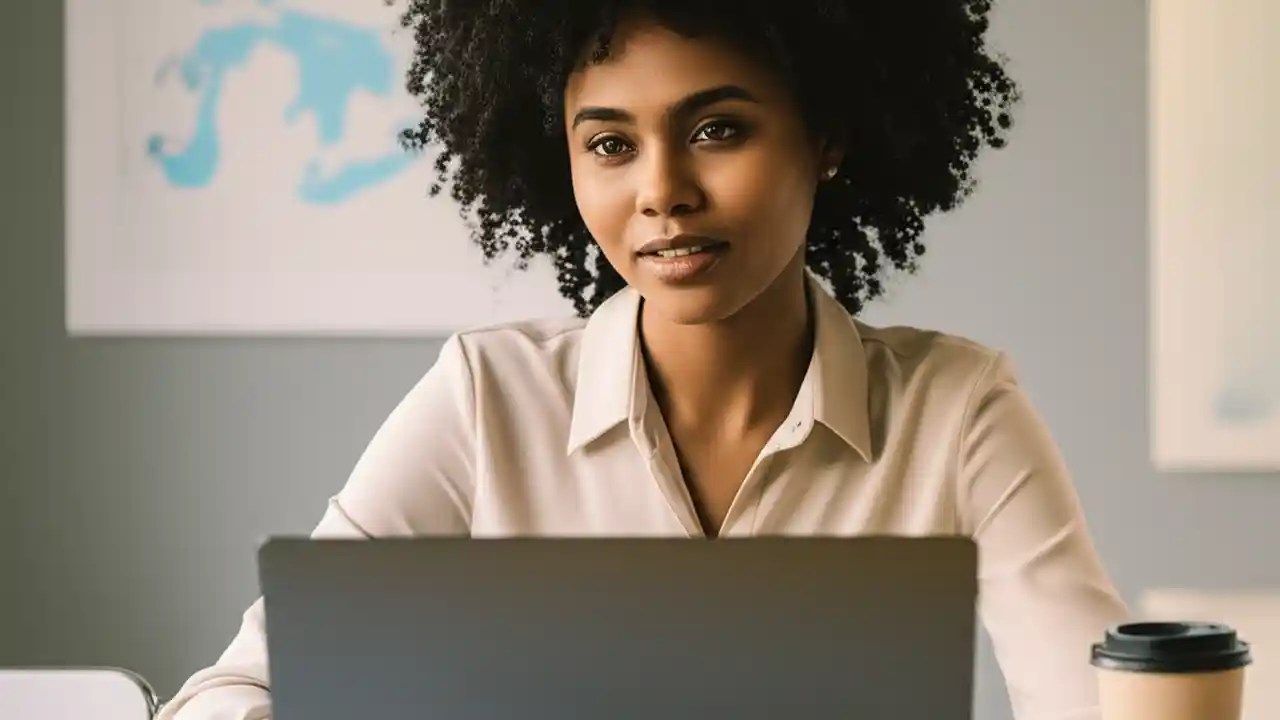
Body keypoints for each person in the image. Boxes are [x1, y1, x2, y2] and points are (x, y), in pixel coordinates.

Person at [158, 1, 1128, 718]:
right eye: (611, 144)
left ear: (826, 133)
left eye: (716, 130)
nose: (661, 192)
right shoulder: (487, 399)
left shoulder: (955, 411)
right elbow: (246, 683)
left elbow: (1094, 702)